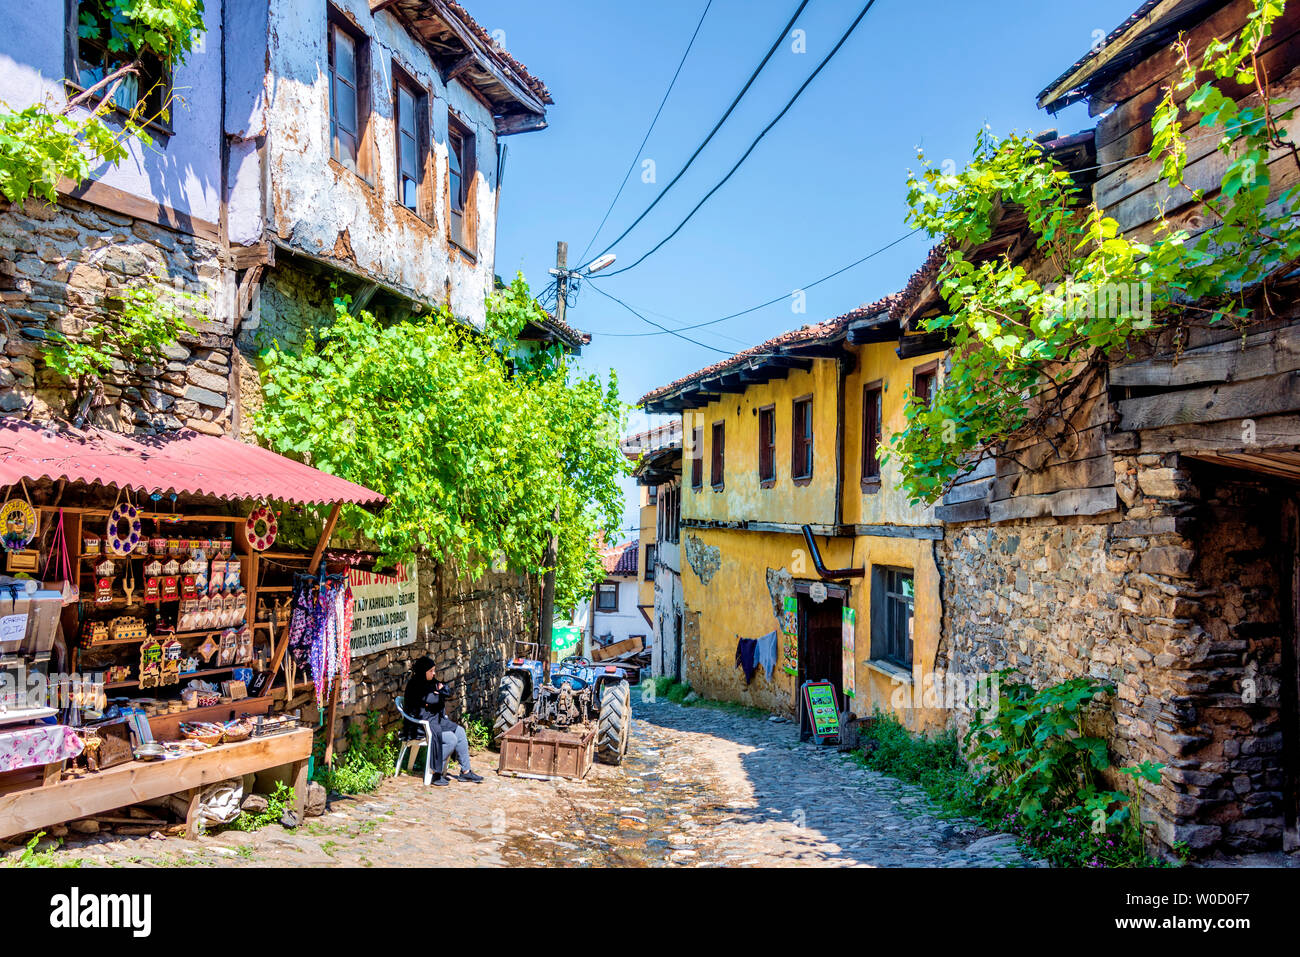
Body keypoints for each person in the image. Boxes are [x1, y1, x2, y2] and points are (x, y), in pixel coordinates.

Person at [402, 656, 483, 786]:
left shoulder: (430, 682)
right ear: (423, 671)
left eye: (434, 670)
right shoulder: (415, 685)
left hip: (434, 720)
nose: (434, 673)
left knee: (460, 731)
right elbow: (432, 699)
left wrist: (437, 693)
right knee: (451, 739)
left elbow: (446, 691)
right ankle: (434, 772)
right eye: (431, 671)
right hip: (419, 726)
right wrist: (437, 695)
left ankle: (466, 772)